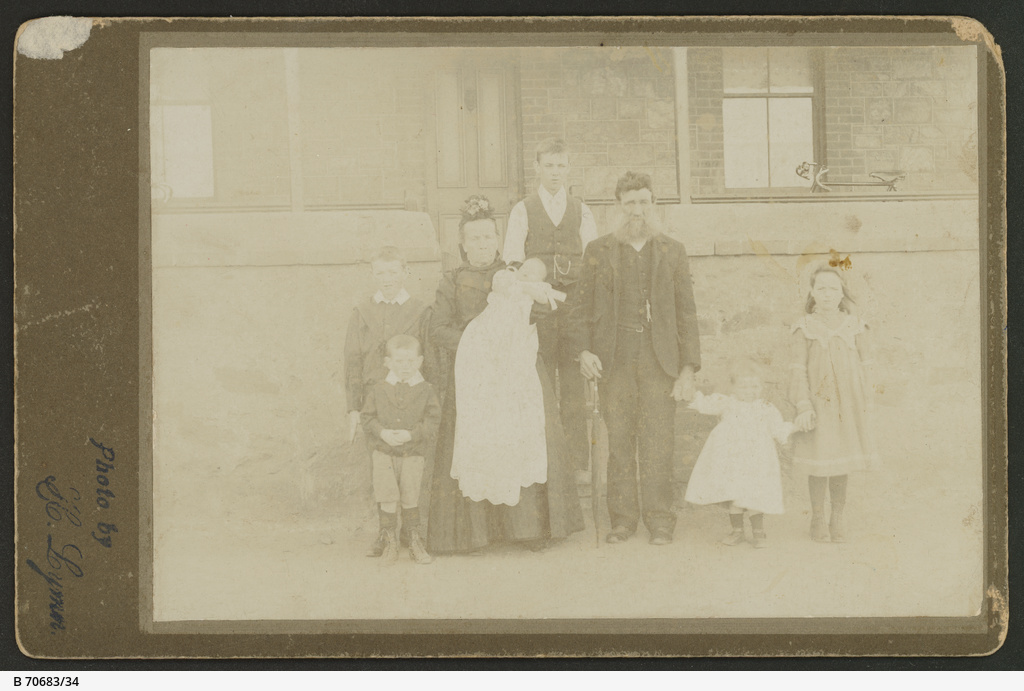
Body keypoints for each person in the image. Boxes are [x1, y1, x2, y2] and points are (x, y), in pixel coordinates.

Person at [427, 195, 584, 554]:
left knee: (522, 440)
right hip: (475, 373)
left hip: (517, 371)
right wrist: (479, 344)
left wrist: (533, 308)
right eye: (475, 238)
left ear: (497, 240)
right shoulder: (452, 281)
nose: (482, 244)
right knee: (478, 445)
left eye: (488, 237)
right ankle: (474, 534)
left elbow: (542, 311)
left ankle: (528, 529)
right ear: (463, 244)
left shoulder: (516, 275)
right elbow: (438, 329)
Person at [570, 171, 701, 546]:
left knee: (659, 441)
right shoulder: (598, 250)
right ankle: (623, 520)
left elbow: (687, 313)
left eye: (644, 202)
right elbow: (580, 310)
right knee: (621, 442)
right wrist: (583, 351)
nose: (637, 210)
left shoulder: (672, 250)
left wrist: (687, 369)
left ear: (653, 203)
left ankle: (660, 520)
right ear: (618, 206)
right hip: (615, 361)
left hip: (661, 362)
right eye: (630, 203)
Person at [503, 138, 598, 475]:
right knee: (538, 384)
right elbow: (512, 261)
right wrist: (534, 292)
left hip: (572, 309)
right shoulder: (523, 209)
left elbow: (594, 258)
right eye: (549, 166)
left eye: (561, 166)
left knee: (572, 388)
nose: (555, 172)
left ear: (568, 168)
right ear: (537, 168)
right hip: (538, 308)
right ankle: (541, 466)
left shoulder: (580, 209)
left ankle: (575, 465)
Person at [450, 258, 566, 506]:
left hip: (514, 356)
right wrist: (521, 283)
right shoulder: (507, 276)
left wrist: (532, 288)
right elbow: (500, 284)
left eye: (532, 274)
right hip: (484, 344)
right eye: (524, 270)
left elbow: (548, 300)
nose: (524, 274)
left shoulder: (534, 293)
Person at [789, 265, 879, 543]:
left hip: (847, 406)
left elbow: (868, 366)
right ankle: (817, 517)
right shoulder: (804, 327)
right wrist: (803, 405)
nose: (827, 294)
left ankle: (837, 516)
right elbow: (797, 370)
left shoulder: (855, 325)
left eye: (833, 289)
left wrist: (866, 401)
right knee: (820, 461)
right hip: (818, 405)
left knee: (840, 461)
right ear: (812, 293)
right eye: (821, 288)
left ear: (842, 294)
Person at [684, 359, 795, 549]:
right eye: (744, 387)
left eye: (755, 386)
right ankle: (737, 531)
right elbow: (705, 404)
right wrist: (691, 394)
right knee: (734, 494)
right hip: (732, 460)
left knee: (754, 495)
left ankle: (758, 532)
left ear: (761, 387)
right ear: (733, 388)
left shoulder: (766, 407)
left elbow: (777, 427)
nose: (750, 391)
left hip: (756, 461)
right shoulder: (727, 403)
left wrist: (792, 430)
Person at [360, 334, 442, 564]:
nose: (405, 367)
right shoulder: (379, 389)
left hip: (413, 453)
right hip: (383, 453)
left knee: (410, 496)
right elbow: (367, 418)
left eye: (410, 361)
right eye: (399, 361)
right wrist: (383, 433)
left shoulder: (426, 390)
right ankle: (389, 542)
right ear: (388, 363)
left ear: (419, 361)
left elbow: (433, 421)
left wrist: (412, 435)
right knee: (386, 495)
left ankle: (414, 541)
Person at [344, 246, 431, 445]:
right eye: (380, 273)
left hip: (412, 402)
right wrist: (354, 407)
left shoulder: (421, 311)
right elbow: (353, 362)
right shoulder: (361, 313)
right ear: (372, 274)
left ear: (405, 272)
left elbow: (431, 363)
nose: (387, 279)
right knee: (378, 458)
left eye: (393, 272)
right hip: (373, 404)